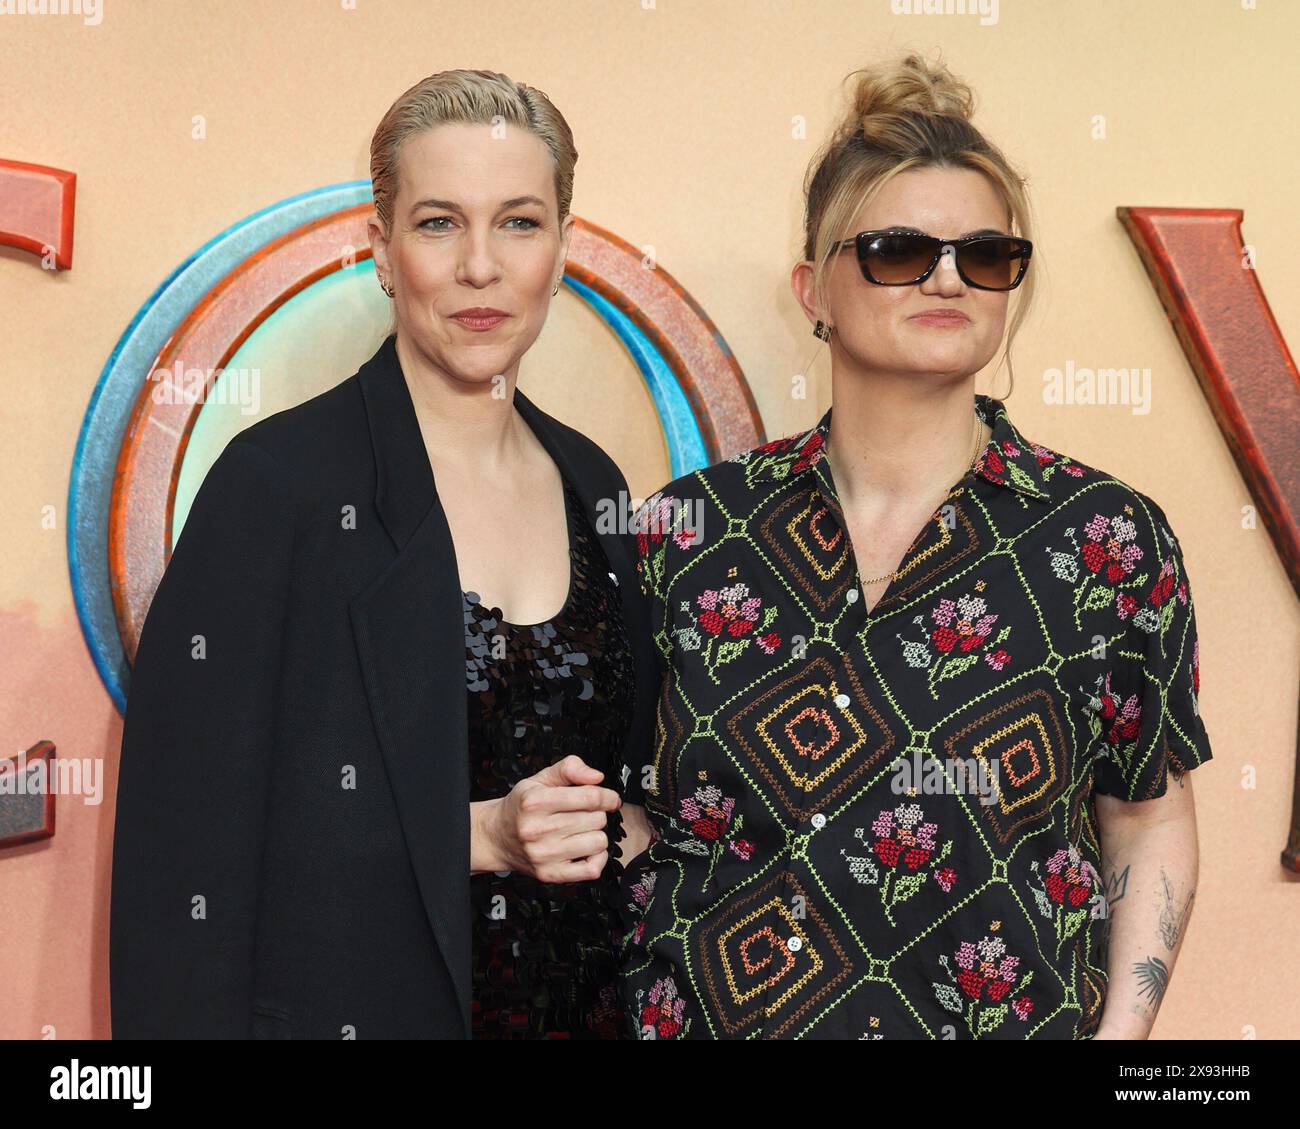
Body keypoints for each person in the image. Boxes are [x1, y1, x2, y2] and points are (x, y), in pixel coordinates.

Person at [619, 52, 1212, 1040]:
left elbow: (1145, 815)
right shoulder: (687, 533)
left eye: (985, 254)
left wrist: (1122, 1042)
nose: (946, 276)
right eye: (897, 250)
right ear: (813, 289)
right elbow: (625, 806)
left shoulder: (1104, 536)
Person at [110, 69, 657, 1040]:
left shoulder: (595, 483)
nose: (480, 266)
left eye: (520, 222)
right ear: (382, 249)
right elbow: (187, 859)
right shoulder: (273, 483)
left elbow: (636, 791)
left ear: (564, 249)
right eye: (440, 222)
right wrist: (481, 834)